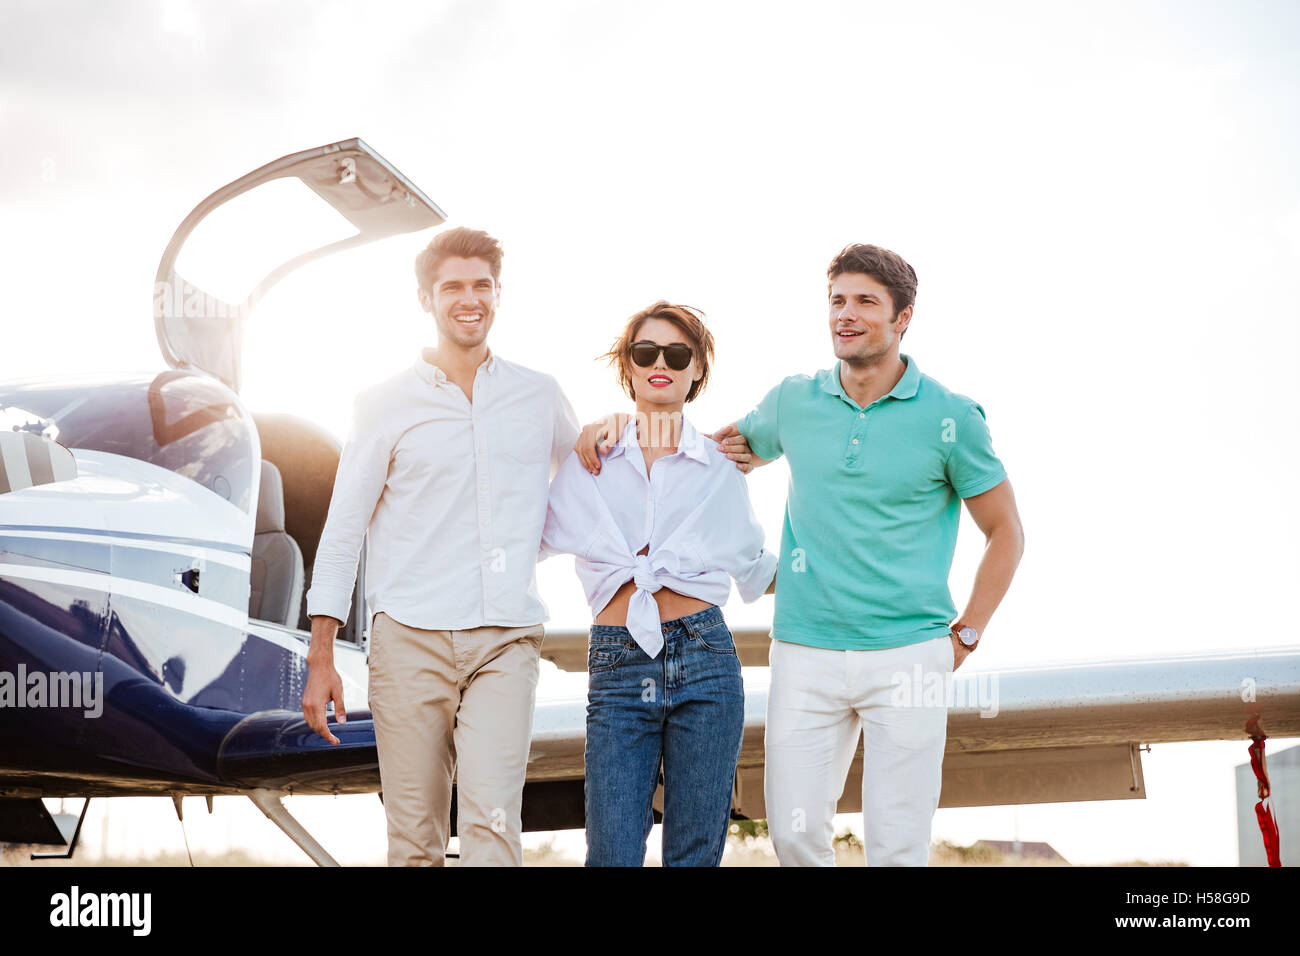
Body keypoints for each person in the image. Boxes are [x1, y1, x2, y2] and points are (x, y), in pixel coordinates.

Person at [576, 243, 1024, 867]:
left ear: (903, 318)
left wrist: (965, 636)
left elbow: (1006, 532)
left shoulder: (952, 418)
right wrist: (620, 426)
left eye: (866, 301)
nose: (847, 313)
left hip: (910, 652)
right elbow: (699, 454)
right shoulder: (793, 401)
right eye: (837, 300)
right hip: (805, 649)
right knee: (794, 836)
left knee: (898, 843)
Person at [301, 226, 580, 866]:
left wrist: (530, 542)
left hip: (505, 638)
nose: (469, 298)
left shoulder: (539, 394)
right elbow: (343, 529)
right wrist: (322, 657)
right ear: (426, 298)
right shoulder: (381, 403)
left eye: (481, 285)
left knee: (491, 823)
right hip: (408, 640)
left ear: (499, 294)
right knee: (415, 839)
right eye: (452, 286)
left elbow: (588, 487)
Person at [542, 301, 777, 866]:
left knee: (695, 853)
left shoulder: (721, 464)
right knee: (612, 851)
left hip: (705, 656)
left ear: (697, 369)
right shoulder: (591, 456)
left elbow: (756, 566)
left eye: (679, 353)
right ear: (626, 365)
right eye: (645, 351)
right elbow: (528, 536)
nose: (661, 363)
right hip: (619, 661)